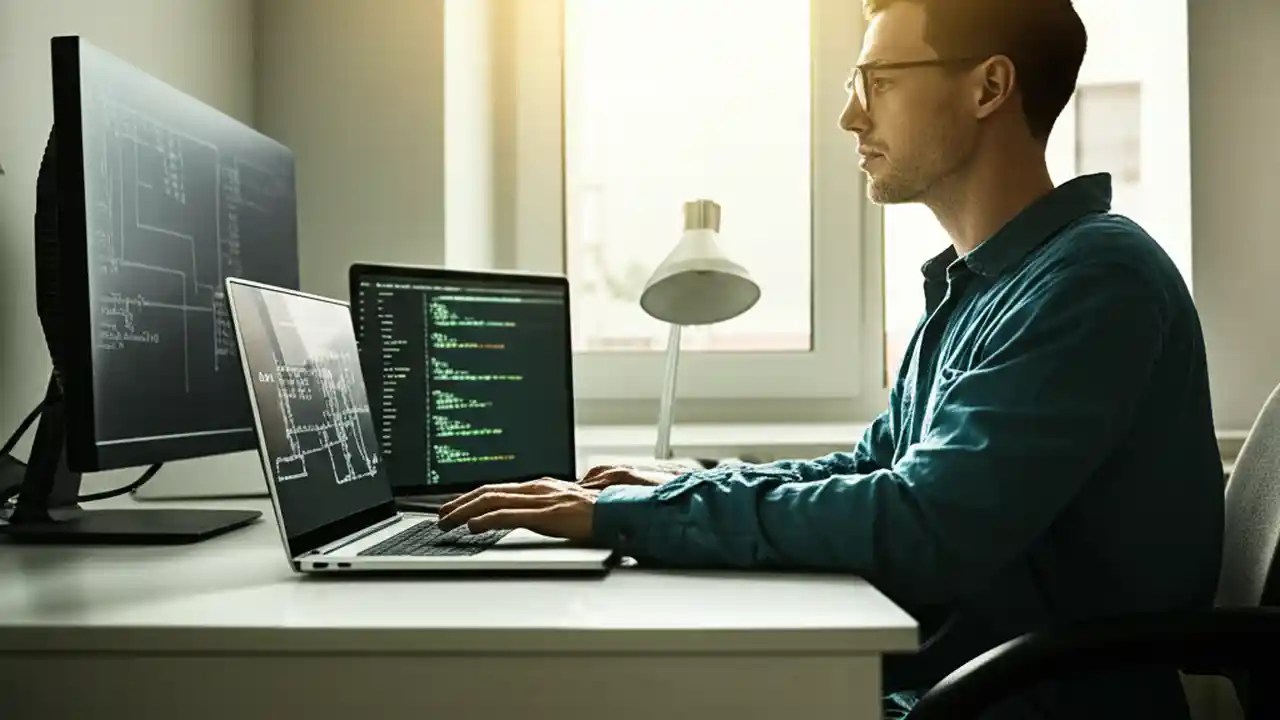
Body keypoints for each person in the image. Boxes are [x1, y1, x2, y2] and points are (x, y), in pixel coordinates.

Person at [438, 0, 1224, 717]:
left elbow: (920, 525)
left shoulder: (1093, 281)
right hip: (952, 687)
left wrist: (632, 515)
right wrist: (689, 485)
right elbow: (874, 471)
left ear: (988, 88)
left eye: (877, 81)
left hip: (1020, 705)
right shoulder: (982, 286)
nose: (851, 115)